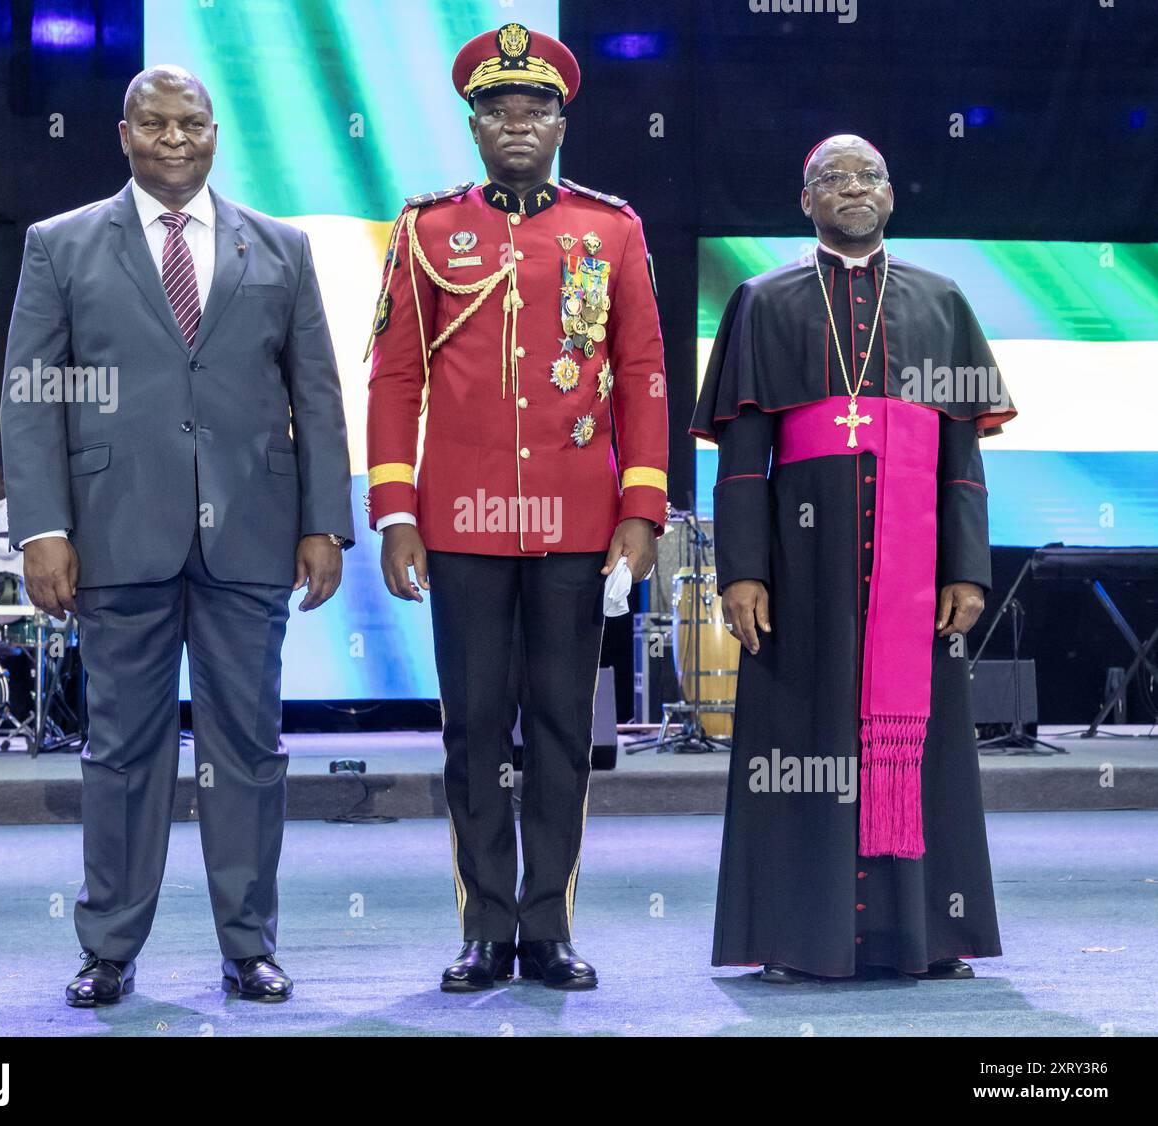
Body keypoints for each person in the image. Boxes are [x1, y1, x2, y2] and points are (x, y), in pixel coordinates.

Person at [1, 65, 354, 1007]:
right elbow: (33, 398)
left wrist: (326, 519)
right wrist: (41, 527)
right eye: (153, 123)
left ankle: (250, 947)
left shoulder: (280, 247)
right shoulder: (61, 244)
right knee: (121, 751)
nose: (173, 138)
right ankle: (109, 947)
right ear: (123, 134)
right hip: (113, 536)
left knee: (249, 748)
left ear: (212, 133)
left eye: (189, 123)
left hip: (253, 533)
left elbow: (314, 393)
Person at [365, 23, 668, 991]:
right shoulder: (424, 228)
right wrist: (395, 508)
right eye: (497, 109)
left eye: (533, 107)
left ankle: (548, 926)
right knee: (474, 727)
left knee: (557, 733)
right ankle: (483, 926)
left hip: (578, 523)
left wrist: (641, 507)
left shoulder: (609, 228)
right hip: (459, 523)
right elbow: (393, 379)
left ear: (560, 120)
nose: (515, 123)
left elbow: (642, 374)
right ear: (473, 123)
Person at [689, 135, 1017, 983]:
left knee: (929, 747)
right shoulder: (764, 302)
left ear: (892, 195)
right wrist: (743, 571)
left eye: (869, 175)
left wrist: (967, 568)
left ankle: (928, 936)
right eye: (832, 178)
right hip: (803, 571)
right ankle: (799, 938)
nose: (854, 188)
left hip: (915, 578)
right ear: (806, 201)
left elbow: (961, 459)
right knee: (801, 741)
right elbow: (744, 460)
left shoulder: (943, 303)